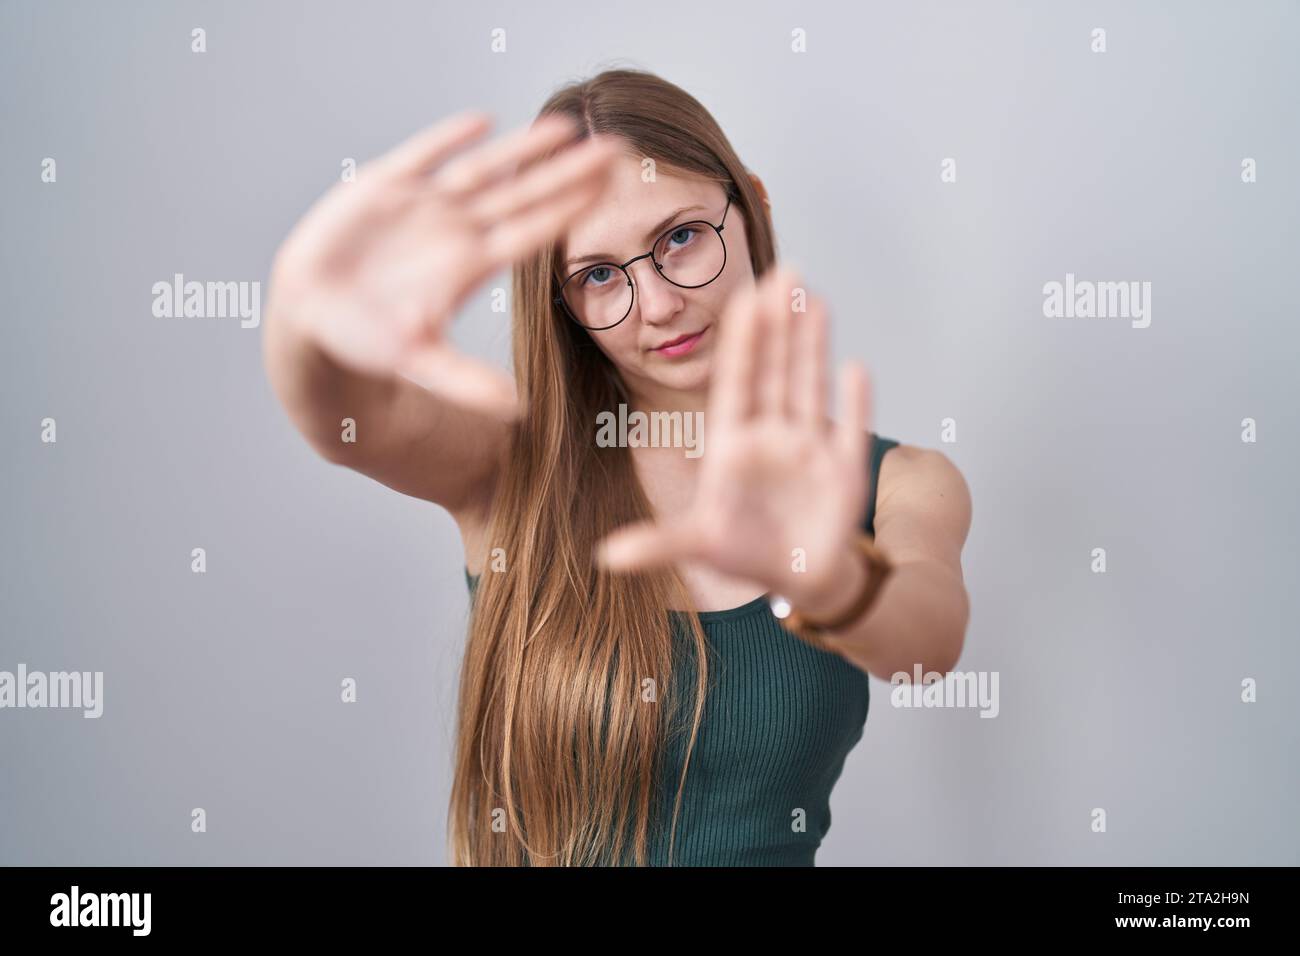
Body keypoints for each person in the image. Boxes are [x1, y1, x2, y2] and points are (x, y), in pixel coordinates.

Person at [263, 68, 972, 866]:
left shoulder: (898, 480)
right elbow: (345, 421)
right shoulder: (512, 464)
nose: (660, 304)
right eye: (600, 276)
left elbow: (928, 648)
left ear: (754, 205)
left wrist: (833, 580)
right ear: (563, 303)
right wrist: (304, 313)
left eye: (680, 238)